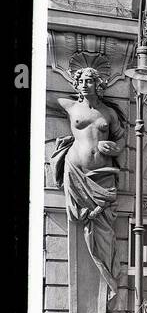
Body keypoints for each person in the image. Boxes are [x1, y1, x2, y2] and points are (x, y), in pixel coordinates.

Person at [51, 66, 126, 300]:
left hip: (102, 175)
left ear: (99, 84)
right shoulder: (71, 106)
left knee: (104, 232)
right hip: (77, 171)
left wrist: (116, 147)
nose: (85, 84)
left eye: (90, 80)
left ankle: (109, 280)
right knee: (86, 223)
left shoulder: (109, 113)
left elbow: (122, 138)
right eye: (81, 80)